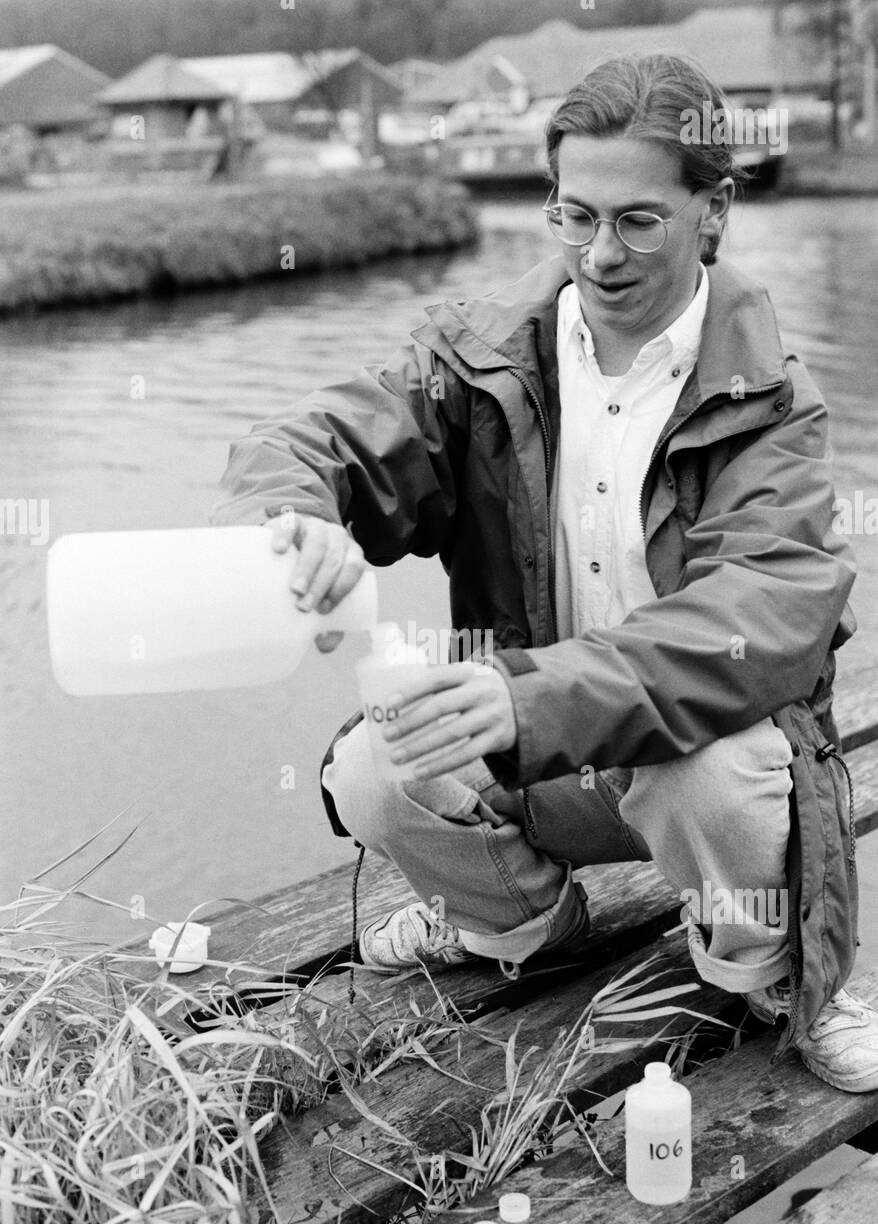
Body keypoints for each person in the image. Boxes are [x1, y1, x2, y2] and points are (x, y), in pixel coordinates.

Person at [211, 53, 878, 1093]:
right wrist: (297, 514)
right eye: (574, 216)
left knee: (719, 778)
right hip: (536, 762)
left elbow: (758, 623)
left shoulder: (774, 410)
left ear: (713, 213)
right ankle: (521, 929)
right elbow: (314, 435)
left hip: (687, 772)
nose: (598, 254)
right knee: (373, 773)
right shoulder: (477, 360)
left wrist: (521, 698)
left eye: (637, 221)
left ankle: (770, 973)